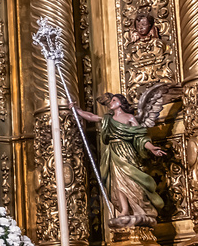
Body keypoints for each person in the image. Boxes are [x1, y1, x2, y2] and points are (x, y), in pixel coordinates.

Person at [70, 94, 166, 228]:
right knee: (118, 182)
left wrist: (151, 148)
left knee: (132, 181)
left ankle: (141, 208)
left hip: (127, 153)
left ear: (120, 103)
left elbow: (140, 137)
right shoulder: (108, 119)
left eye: (114, 100)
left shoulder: (129, 118)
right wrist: (77, 111)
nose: (111, 103)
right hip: (113, 153)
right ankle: (125, 209)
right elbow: (92, 117)